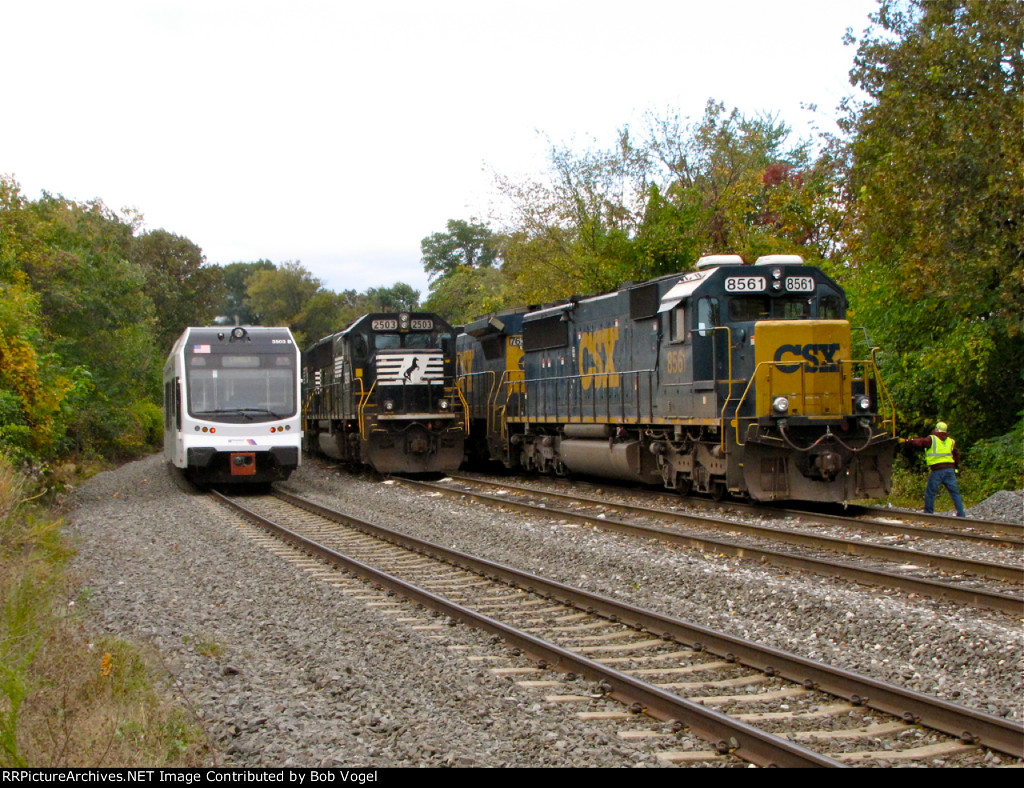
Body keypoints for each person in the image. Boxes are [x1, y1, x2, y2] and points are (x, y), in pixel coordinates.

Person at [902, 421, 966, 517]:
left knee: (930, 492)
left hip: (937, 471)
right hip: (950, 470)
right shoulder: (951, 441)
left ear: (937, 429)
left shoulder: (931, 439)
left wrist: (907, 441)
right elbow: (956, 455)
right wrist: (956, 467)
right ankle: (961, 514)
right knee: (955, 493)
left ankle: (928, 514)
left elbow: (920, 442)